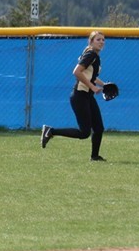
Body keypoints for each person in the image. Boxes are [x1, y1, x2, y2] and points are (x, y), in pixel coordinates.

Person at [40, 30, 109, 161]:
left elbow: (90, 76)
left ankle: (95, 156)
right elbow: (77, 72)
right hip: (80, 96)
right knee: (84, 133)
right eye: (98, 39)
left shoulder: (94, 55)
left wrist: (103, 84)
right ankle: (51, 131)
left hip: (87, 96)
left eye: (103, 40)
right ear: (91, 41)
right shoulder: (91, 55)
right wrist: (93, 87)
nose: (101, 42)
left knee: (99, 128)